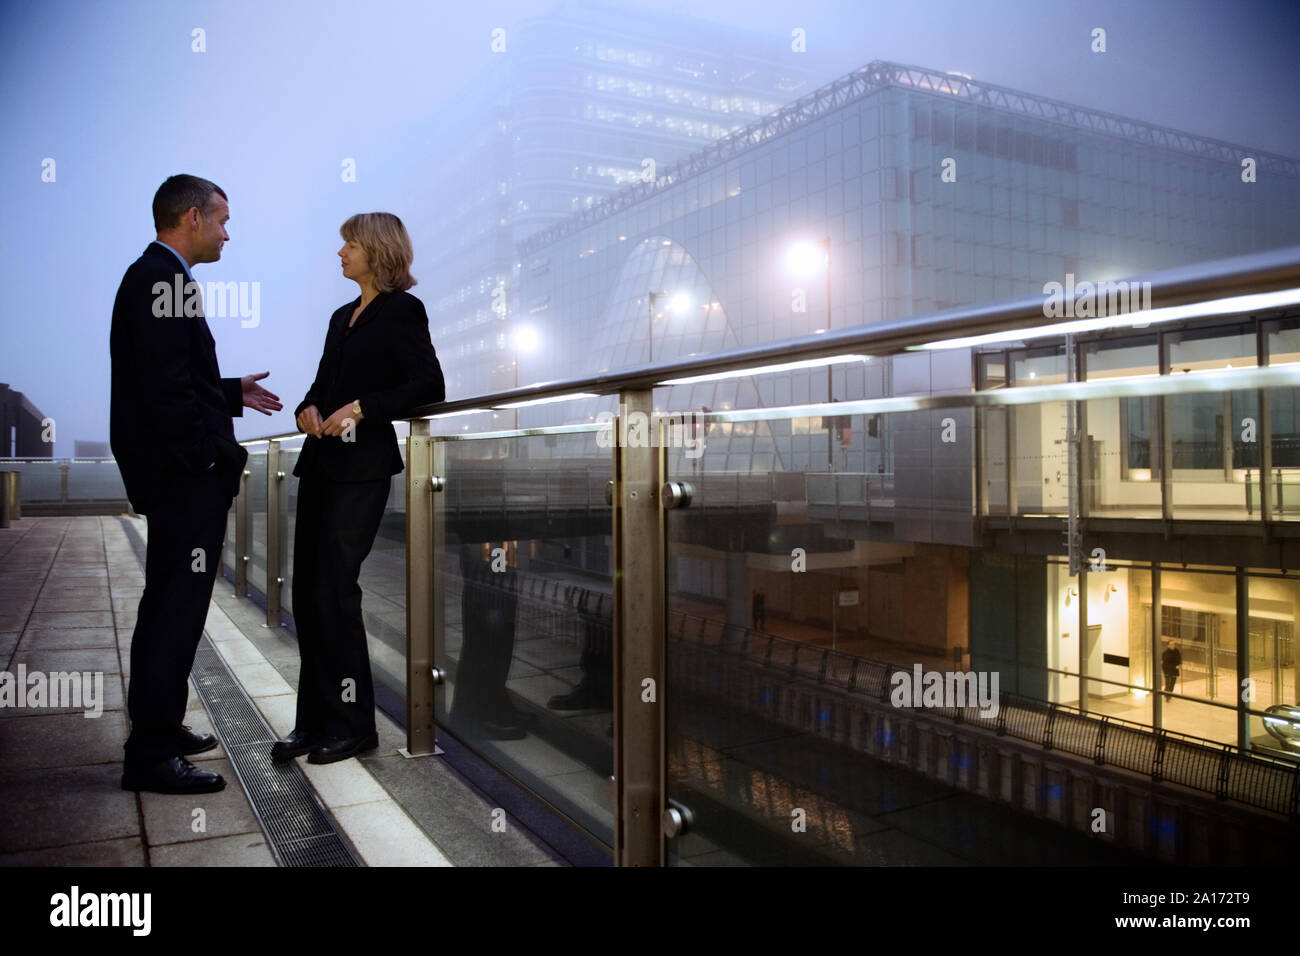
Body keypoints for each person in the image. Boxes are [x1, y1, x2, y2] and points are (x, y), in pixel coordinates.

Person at [111, 174, 282, 794]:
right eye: (221, 221)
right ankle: (152, 753)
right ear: (191, 218)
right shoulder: (162, 278)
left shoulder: (159, 275)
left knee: (170, 606)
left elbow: (171, 373)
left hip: (176, 475)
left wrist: (228, 391)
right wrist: (205, 461)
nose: (227, 233)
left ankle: (160, 727)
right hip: (184, 480)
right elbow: (164, 389)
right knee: (173, 609)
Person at [273, 212, 444, 764]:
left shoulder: (403, 311)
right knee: (308, 592)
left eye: (349, 243)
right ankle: (314, 722)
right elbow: (323, 383)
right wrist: (307, 407)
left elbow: (429, 385)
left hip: (363, 468)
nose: (340, 252)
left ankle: (353, 725)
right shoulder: (340, 316)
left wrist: (365, 408)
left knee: (335, 590)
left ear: (376, 249)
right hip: (321, 463)